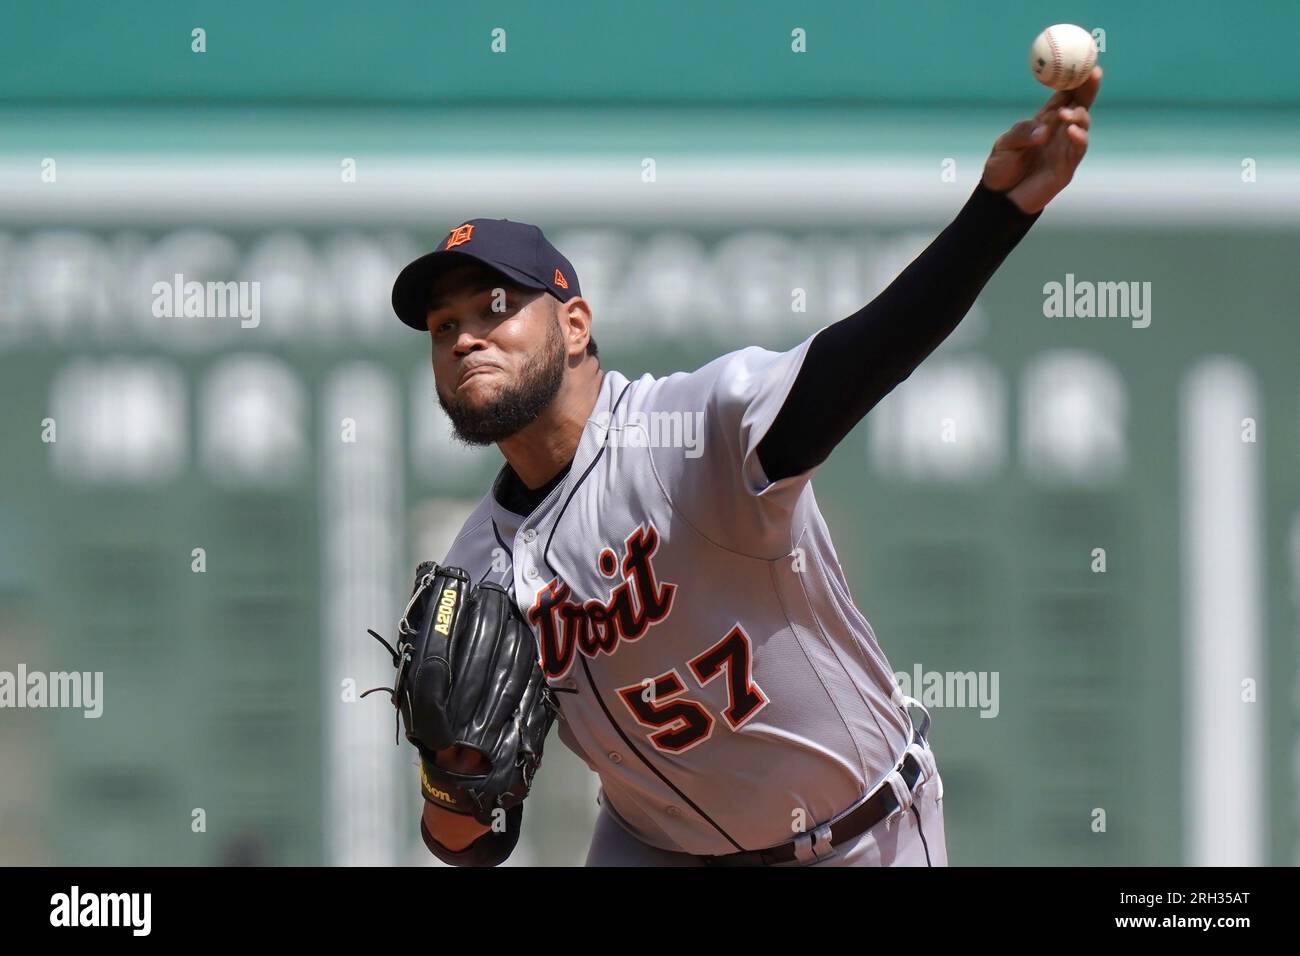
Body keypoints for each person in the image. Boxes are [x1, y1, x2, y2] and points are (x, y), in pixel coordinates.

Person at [388, 69, 1101, 866]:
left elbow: (867, 355)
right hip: (651, 848)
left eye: (493, 308)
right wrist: (452, 775)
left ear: (577, 326)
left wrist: (998, 213)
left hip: (857, 837)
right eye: (442, 325)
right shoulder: (478, 566)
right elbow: (470, 847)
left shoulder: (690, 434)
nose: (463, 338)